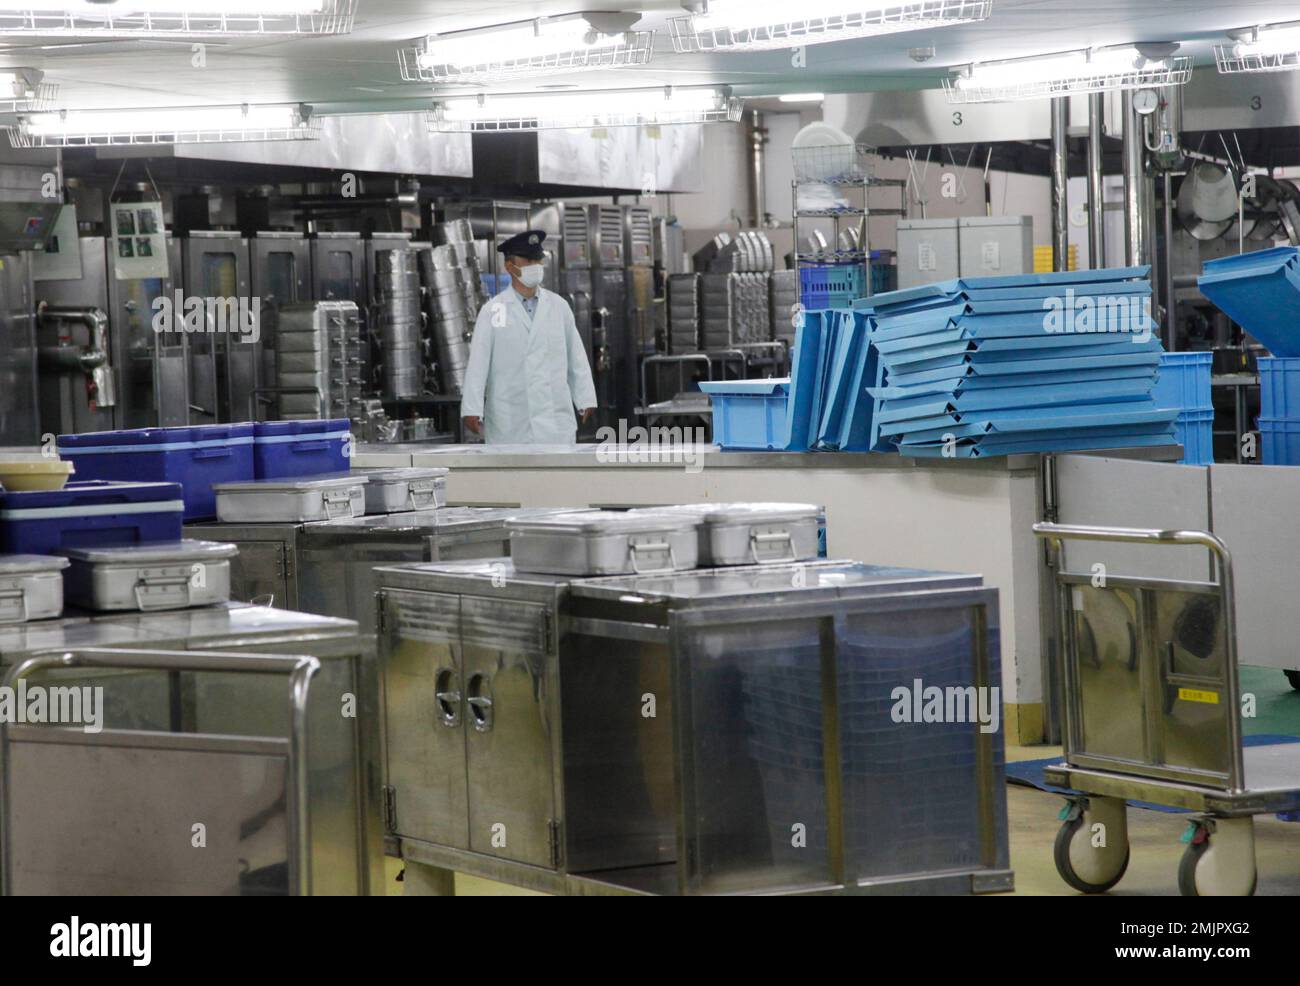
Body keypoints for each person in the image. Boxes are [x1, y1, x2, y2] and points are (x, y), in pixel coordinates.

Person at [461, 229, 597, 444]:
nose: (534, 265)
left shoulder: (559, 306)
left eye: (537, 260)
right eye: (527, 261)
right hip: (511, 423)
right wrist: (472, 408)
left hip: (554, 422)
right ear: (509, 266)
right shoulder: (494, 310)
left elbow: (576, 357)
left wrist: (585, 397)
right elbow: (478, 363)